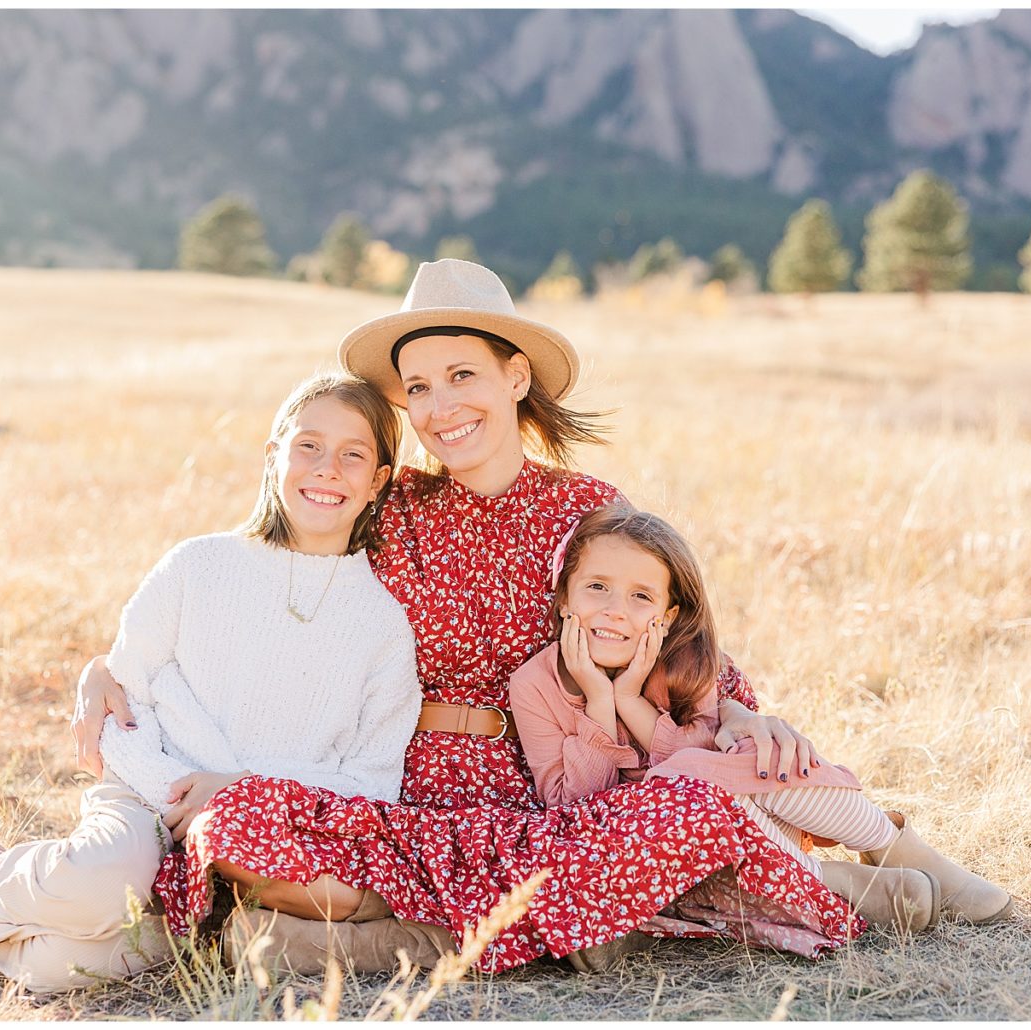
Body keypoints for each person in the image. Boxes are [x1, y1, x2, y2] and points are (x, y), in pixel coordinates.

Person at [76, 259, 874, 976]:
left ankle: (404, 938)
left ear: (516, 377)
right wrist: (106, 668)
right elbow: (260, 567)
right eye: (418, 388)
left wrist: (731, 706)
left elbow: (651, 625)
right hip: (401, 786)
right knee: (236, 822)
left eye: (462, 375)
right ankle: (581, 921)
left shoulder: (588, 508)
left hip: (544, 785)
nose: (439, 406)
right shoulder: (394, 507)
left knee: (686, 810)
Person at [0, 371, 442, 993]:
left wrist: (240, 792)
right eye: (308, 446)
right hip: (148, 801)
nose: (327, 469)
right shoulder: (198, 565)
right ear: (273, 456)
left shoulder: (384, 627)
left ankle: (6, 922)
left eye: (353, 455)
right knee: (107, 881)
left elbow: (372, 782)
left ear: (378, 481)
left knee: (58, 966)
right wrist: (173, 795)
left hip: (257, 842)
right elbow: (121, 708)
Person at [509, 503, 1014, 932]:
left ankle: (894, 847)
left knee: (741, 754)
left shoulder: (682, 660)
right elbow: (570, 807)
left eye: (641, 596)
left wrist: (632, 703)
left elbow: (705, 756)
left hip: (753, 822)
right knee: (687, 789)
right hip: (670, 859)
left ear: (666, 615)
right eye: (597, 587)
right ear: (563, 598)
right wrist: (600, 702)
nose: (616, 610)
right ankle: (827, 882)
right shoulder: (533, 685)